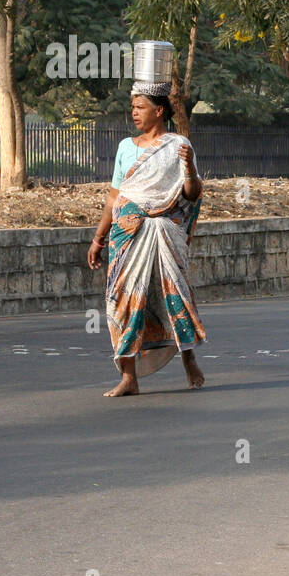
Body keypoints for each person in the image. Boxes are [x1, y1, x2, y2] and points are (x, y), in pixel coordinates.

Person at [86, 77, 206, 397]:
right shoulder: (126, 148)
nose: (134, 114)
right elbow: (115, 197)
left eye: (140, 107)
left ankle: (189, 358)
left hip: (164, 233)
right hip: (126, 234)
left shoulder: (179, 146)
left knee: (173, 297)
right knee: (123, 303)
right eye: (133, 108)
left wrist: (190, 168)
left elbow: (191, 195)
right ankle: (129, 377)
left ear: (160, 110)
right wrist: (98, 238)